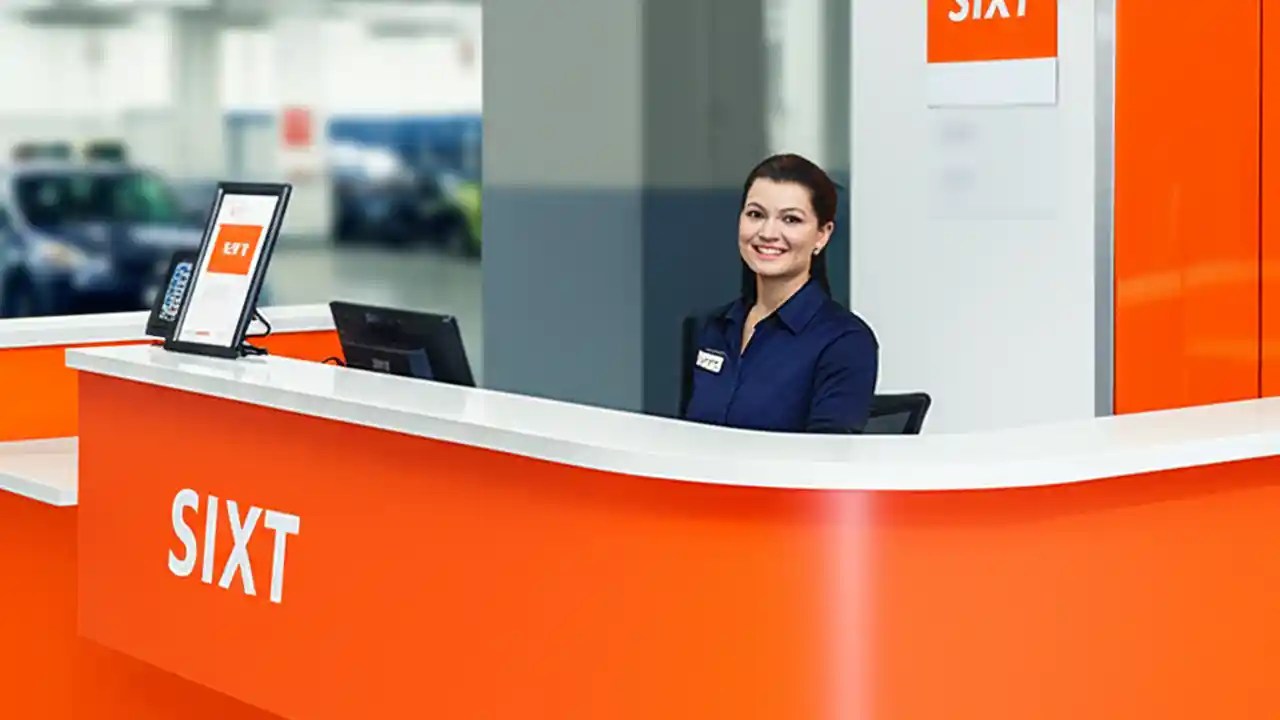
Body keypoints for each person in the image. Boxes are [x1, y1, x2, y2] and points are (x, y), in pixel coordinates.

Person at [683, 154, 878, 433]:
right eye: (755, 214)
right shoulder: (712, 327)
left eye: (791, 219)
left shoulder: (845, 342)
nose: (768, 232)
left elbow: (825, 466)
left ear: (822, 235)